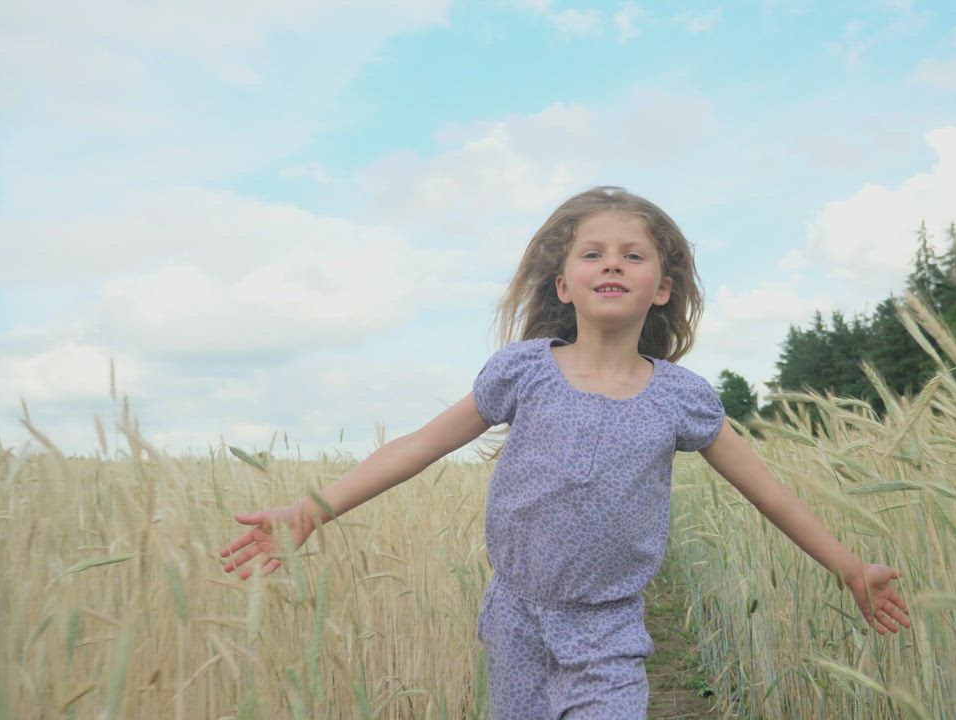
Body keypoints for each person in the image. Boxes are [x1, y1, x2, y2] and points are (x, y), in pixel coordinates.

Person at [219, 186, 911, 719]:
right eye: (593, 253)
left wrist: (849, 567)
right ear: (564, 285)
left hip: (608, 628)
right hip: (515, 614)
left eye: (633, 255)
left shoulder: (681, 399)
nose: (612, 262)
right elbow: (421, 445)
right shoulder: (523, 372)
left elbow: (769, 492)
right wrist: (314, 511)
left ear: (662, 289)